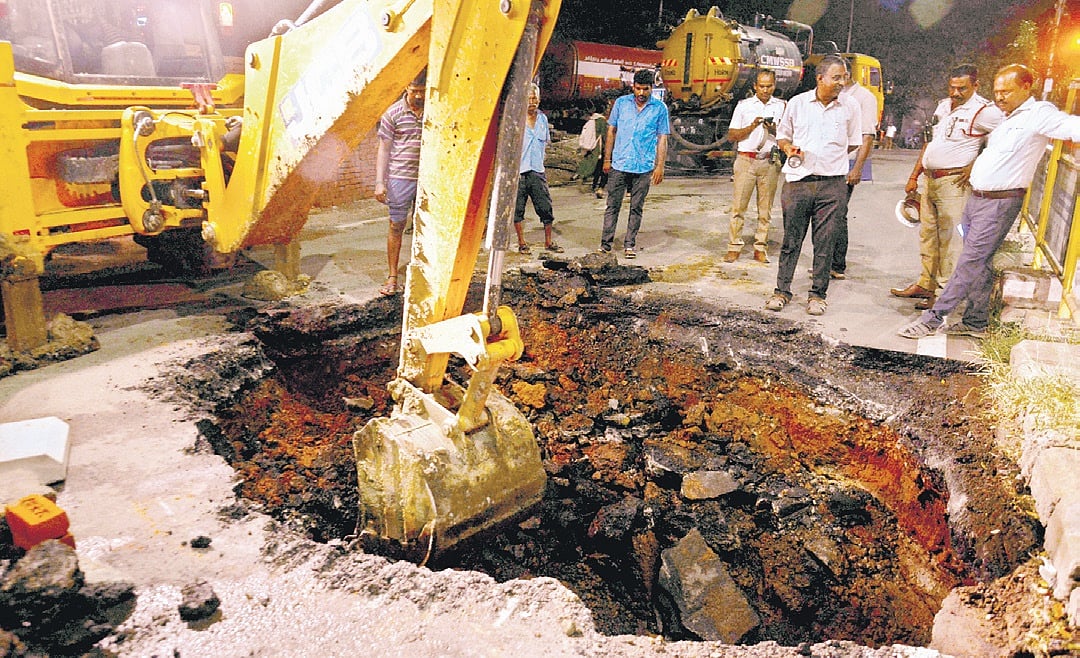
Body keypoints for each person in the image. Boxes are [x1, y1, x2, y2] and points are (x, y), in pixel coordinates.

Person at [898, 64, 1080, 340]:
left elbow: (1072, 127)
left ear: (1026, 87)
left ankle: (933, 319)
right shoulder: (1007, 117)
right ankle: (975, 322)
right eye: (997, 92)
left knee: (968, 259)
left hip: (999, 204)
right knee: (978, 261)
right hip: (976, 201)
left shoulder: (1038, 114)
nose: (1000, 97)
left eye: (1006, 91)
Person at [890, 64, 1003, 311]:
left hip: (954, 182)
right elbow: (929, 143)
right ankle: (925, 284)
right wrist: (915, 175)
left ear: (976, 85)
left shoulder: (984, 111)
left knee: (951, 242)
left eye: (962, 88)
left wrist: (975, 164)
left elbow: (1004, 141)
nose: (955, 93)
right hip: (931, 180)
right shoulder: (943, 106)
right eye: (952, 87)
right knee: (928, 236)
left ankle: (942, 296)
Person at [765, 55, 861, 316]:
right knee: (791, 240)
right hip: (798, 183)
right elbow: (783, 136)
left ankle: (818, 295)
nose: (842, 82)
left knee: (825, 242)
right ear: (820, 78)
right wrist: (788, 148)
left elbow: (853, 142)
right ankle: (781, 290)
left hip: (832, 185)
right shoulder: (798, 103)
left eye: (844, 77)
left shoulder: (850, 106)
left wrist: (829, 159)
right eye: (836, 77)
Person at [598, 68, 670, 259]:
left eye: (645, 89)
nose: (641, 93)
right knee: (612, 205)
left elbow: (662, 138)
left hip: (643, 166)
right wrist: (607, 159)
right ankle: (606, 243)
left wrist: (659, 166)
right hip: (619, 164)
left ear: (651, 89)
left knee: (636, 207)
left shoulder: (660, 109)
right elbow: (611, 131)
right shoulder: (621, 104)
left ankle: (630, 244)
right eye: (638, 89)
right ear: (632, 87)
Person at [723, 70, 787, 264]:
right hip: (746, 161)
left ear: (774, 86)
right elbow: (732, 135)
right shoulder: (744, 106)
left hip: (769, 161)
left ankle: (760, 247)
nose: (765, 90)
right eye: (761, 86)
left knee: (765, 209)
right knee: (738, 207)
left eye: (769, 86)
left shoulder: (782, 106)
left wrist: (773, 128)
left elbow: (788, 135)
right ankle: (734, 247)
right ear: (755, 86)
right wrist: (752, 126)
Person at [374, 70, 425, 296]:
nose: (419, 97)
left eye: (423, 92)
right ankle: (393, 276)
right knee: (396, 226)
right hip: (399, 178)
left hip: (427, 178)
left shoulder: (435, 110)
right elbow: (384, 149)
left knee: (427, 228)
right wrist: (379, 182)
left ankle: (424, 276)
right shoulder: (392, 114)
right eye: (415, 92)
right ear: (406, 88)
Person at [830, 67, 878, 279]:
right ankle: (826, 260)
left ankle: (837, 264)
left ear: (848, 75)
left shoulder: (864, 98)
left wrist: (858, 168)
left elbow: (867, 136)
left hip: (850, 162)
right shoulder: (835, 96)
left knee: (839, 213)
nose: (838, 81)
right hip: (830, 162)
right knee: (828, 214)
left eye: (841, 76)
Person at [514, 84, 563, 254]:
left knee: (545, 207)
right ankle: (522, 243)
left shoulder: (543, 119)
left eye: (534, 98)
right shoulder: (516, 120)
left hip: (537, 170)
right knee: (517, 209)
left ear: (539, 99)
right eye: (528, 98)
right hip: (519, 172)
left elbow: (545, 143)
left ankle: (548, 242)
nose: (531, 102)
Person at [575, 105, 608, 198]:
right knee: (600, 168)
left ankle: (592, 184)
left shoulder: (592, 120)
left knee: (595, 166)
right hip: (599, 148)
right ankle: (598, 187)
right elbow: (604, 136)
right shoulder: (602, 121)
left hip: (590, 147)